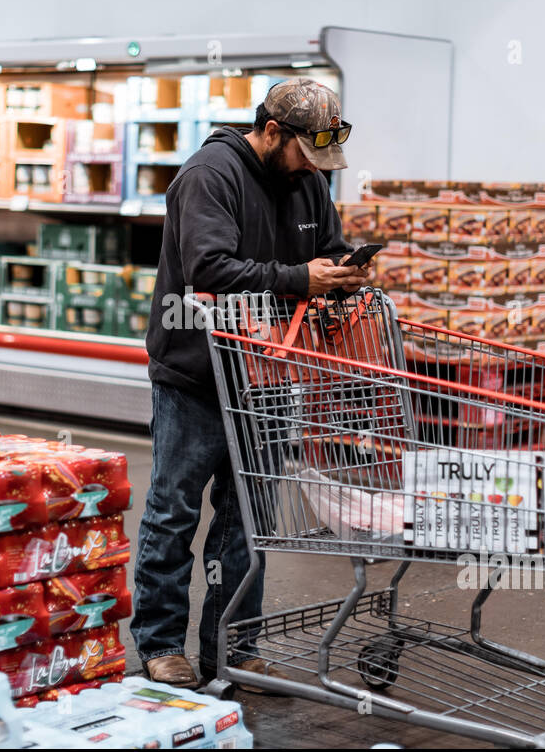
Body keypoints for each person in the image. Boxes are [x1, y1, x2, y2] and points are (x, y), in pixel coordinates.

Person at [131, 78, 371, 689]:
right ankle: (160, 642)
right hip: (196, 375)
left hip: (265, 376)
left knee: (248, 519)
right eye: (304, 155)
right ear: (271, 132)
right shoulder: (210, 175)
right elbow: (208, 269)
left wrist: (344, 275)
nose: (312, 172)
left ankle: (233, 644)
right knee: (173, 512)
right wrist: (297, 278)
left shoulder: (308, 183)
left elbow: (329, 248)